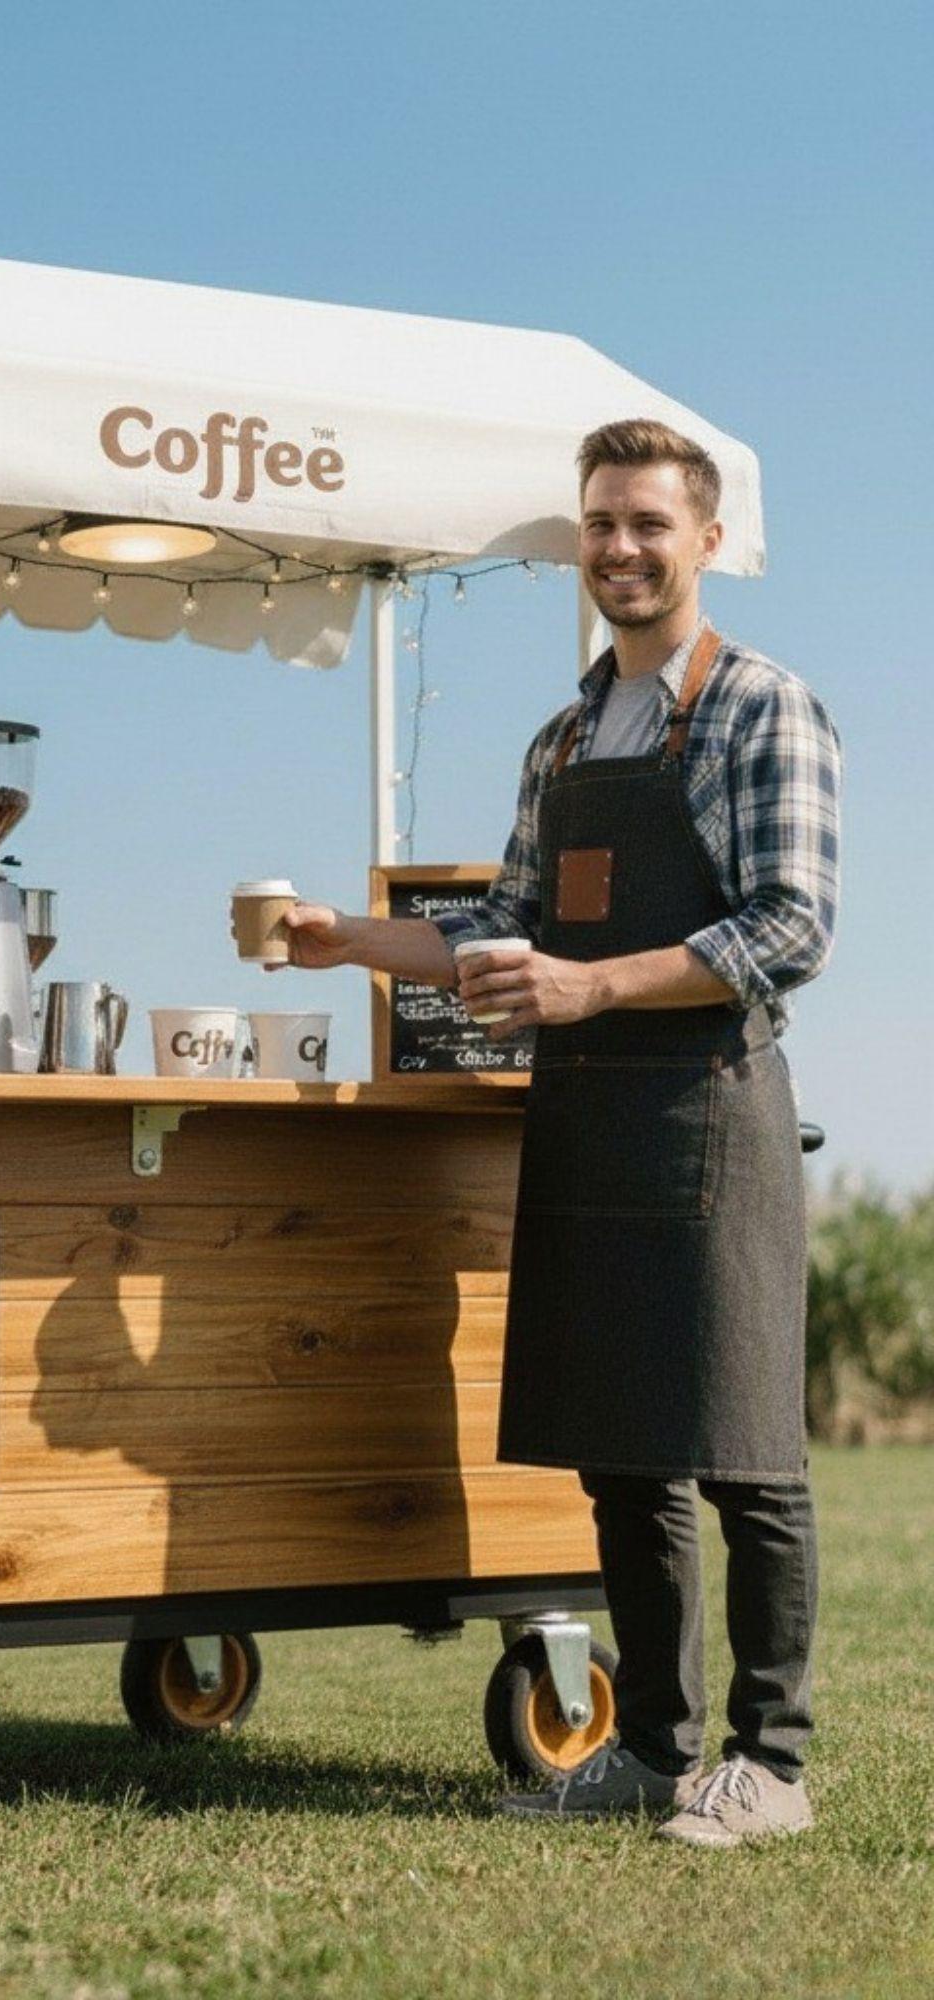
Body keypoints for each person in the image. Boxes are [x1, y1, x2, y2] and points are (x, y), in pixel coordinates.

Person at [280, 419, 841, 1847]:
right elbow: (503, 928)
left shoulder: (765, 710)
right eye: (600, 523)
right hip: (591, 1121)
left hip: (711, 1106)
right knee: (624, 1458)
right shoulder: (568, 736)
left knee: (750, 1454)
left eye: (649, 523)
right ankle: (653, 1751)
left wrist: (592, 986)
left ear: (707, 542)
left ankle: (767, 1765)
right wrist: (342, 938)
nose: (621, 549)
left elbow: (793, 926)